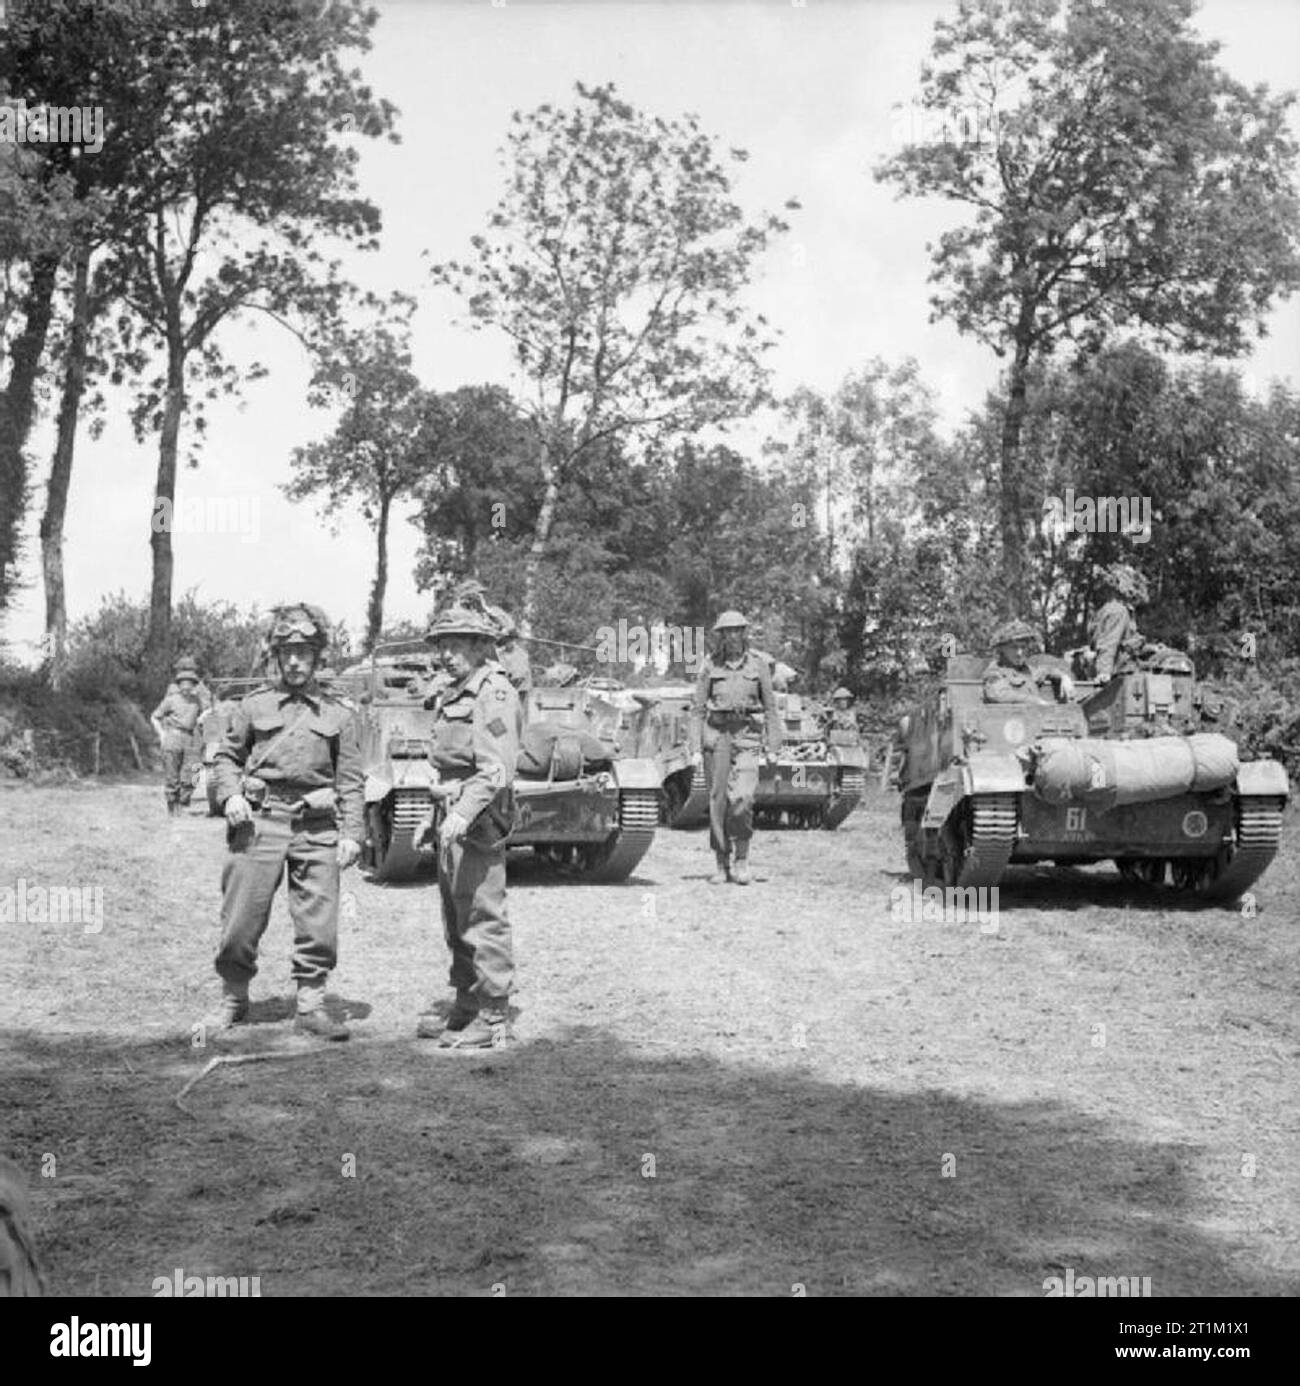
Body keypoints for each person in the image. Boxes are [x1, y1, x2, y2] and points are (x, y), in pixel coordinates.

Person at [209, 604, 363, 1041]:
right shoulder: (250, 706)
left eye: (305, 653)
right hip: (260, 822)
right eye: (288, 652)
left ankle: (311, 1006)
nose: (296, 661)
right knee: (240, 919)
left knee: (319, 922)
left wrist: (353, 834)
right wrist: (232, 794)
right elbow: (226, 758)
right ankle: (233, 1000)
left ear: (318, 658)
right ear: (275, 656)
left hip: (316, 828)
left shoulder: (339, 714)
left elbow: (351, 778)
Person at [415, 605, 523, 1048]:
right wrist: (436, 812)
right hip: (452, 812)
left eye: (456, 644)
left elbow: (495, 768)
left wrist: (462, 813)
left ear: (481, 646)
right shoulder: (455, 690)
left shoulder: (493, 692)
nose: (446, 654)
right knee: (456, 915)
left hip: (477, 817)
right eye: (442, 644)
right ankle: (467, 1002)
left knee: (482, 912)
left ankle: (495, 1015)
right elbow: (447, 763)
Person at [690, 610, 783, 885]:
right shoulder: (710, 665)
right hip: (717, 735)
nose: (731, 636)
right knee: (717, 801)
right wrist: (695, 747)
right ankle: (721, 863)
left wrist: (773, 746)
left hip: (747, 737)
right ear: (721, 636)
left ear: (744, 633)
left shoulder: (758, 665)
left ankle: (741, 860)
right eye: (725, 632)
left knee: (743, 798)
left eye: (736, 631)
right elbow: (696, 710)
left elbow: (770, 708)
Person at [451, 580, 533, 702]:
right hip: (477, 663)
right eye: (471, 596)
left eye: (479, 595)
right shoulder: (459, 615)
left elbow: (511, 628)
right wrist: (458, 607)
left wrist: (486, 610)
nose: (475, 599)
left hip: (506, 662)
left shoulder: (493, 612)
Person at [151, 656, 207, 815]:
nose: (186, 687)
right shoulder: (171, 698)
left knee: (193, 772)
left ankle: (183, 801)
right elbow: (155, 716)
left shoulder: (198, 699)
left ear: (194, 684)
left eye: (190, 684)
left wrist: (203, 717)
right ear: (179, 684)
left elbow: (209, 709)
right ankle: (172, 806)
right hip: (173, 737)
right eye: (183, 683)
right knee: (171, 774)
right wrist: (162, 734)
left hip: (191, 738)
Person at [982, 619, 1075, 704]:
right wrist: (1036, 701)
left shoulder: (1027, 670)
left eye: (1023, 647)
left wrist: (1063, 677)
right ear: (1002, 648)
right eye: (1014, 647)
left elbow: (1046, 670)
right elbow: (999, 694)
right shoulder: (995, 671)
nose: (1019, 653)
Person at [1090, 564, 1148, 682]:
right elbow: (1109, 642)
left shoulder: (1115, 609)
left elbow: (1127, 641)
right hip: (1120, 673)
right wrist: (1104, 672)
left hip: (1123, 670)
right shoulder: (1118, 611)